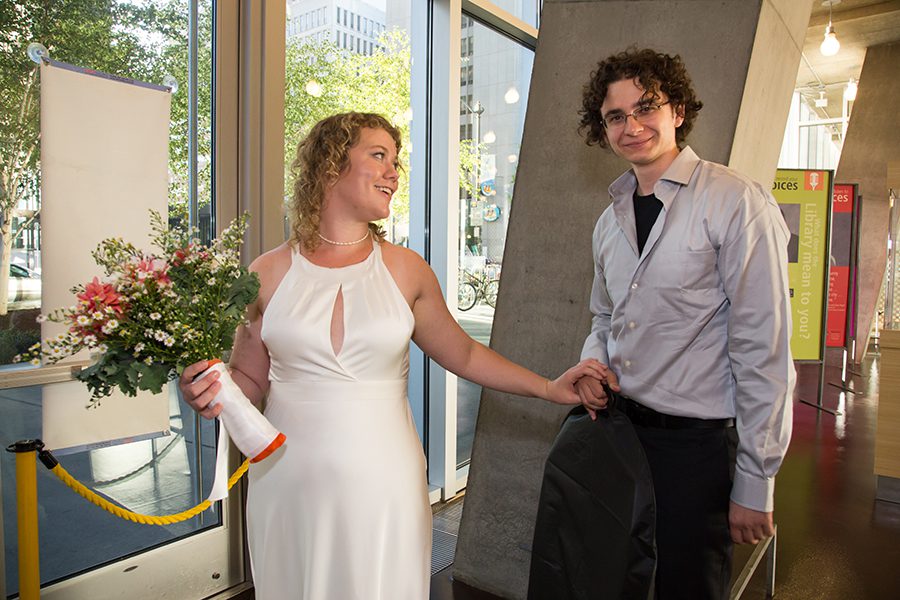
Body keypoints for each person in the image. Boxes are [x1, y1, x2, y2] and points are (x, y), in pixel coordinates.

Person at [178, 112, 605, 600]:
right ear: (329, 165)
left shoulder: (406, 270)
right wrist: (210, 389)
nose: (393, 173)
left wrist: (549, 387)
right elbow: (248, 381)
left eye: (396, 162)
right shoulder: (268, 271)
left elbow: (464, 353)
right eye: (378, 156)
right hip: (287, 477)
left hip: (385, 477)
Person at [574, 48, 795, 599]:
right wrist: (592, 363)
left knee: (688, 589)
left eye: (645, 107)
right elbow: (605, 314)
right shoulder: (609, 220)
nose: (632, 126)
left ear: (677, 111)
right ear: (602, 129)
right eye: (615, 116)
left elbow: (762, 347)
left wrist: (756, 479)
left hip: (695, 450)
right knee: (616, 579)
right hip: (620, 434)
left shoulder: (735, 202)